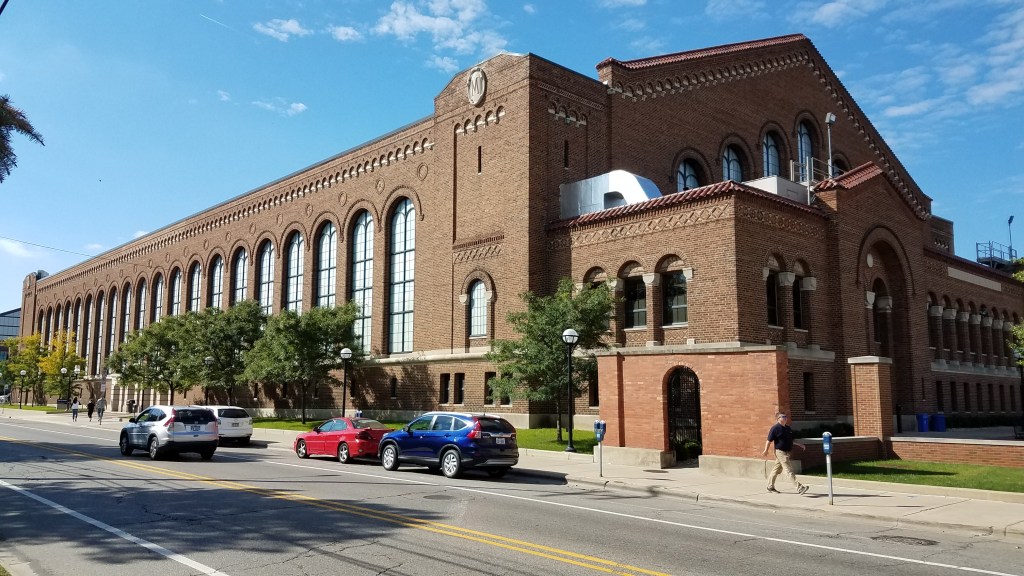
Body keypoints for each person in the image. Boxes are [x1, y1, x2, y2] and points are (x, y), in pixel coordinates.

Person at [761, 412, 808, 495]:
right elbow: (769, 440)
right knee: (789, 470)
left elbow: (791, 440)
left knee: (776, 470)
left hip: (786, 451)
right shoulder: (775, 428)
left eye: (786, 416)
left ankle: (770, 486)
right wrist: (766, 450)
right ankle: (799, 488)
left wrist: (800, 444)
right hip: (780, 452)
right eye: (783, 417)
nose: (786, 418)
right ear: (778, 419)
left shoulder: (788, 428)